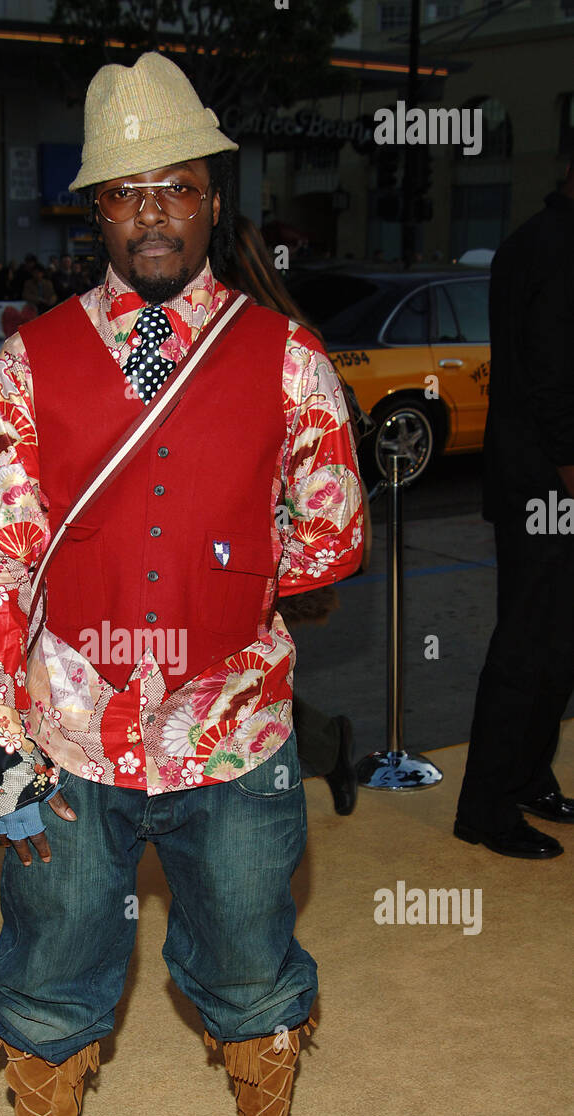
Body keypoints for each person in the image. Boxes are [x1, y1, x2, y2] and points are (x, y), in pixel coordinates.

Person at [0, 51, 363, 1116]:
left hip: (231, 730)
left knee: (248, 951)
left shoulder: (287, 357)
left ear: (212, 199)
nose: (154, 215)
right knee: (51, 957)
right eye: (126, 195)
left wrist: (228, 577)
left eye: (176, 188)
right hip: (67, 732)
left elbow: (333, 527)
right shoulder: (32, 361)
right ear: (97, 212)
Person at [221, 213, 373, 815]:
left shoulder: (278, 341)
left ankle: (320, 750)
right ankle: (326, 745)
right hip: (230, 546)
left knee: (239, 676)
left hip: (260, 548)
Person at [454, 152, 574, 858]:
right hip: (548, 488)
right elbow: (554, 374)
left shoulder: (533, 239)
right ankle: (486, 808)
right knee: (529, 651)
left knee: (555, 649)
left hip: (536, 482)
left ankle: (527, 778)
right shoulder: (556, 247)